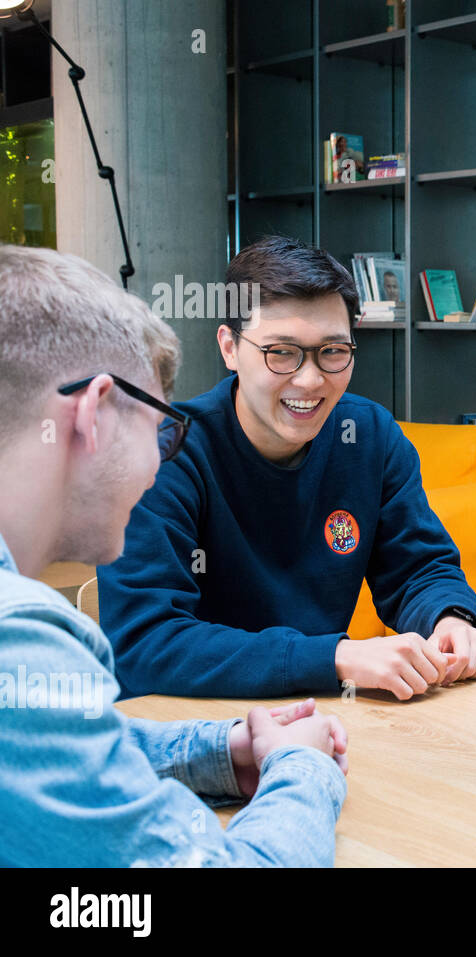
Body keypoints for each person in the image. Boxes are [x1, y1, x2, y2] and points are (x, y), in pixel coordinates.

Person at [0, 244, 347, 865]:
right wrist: (304, 767)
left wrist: (222, 750)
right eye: (160, 425)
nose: (165, 456)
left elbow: (68, 740)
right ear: (93, 416)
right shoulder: (20, 645)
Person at [97, 236, 476, 700]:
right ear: (230, 348)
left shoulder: (369, 436)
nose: (310, 380)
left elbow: (418, 569)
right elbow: (144, 644)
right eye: (281, 352)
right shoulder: (163, 454)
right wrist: (333, 658)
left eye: (333, 351)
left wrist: (450, 617)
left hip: (322, 720)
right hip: (183, 728)